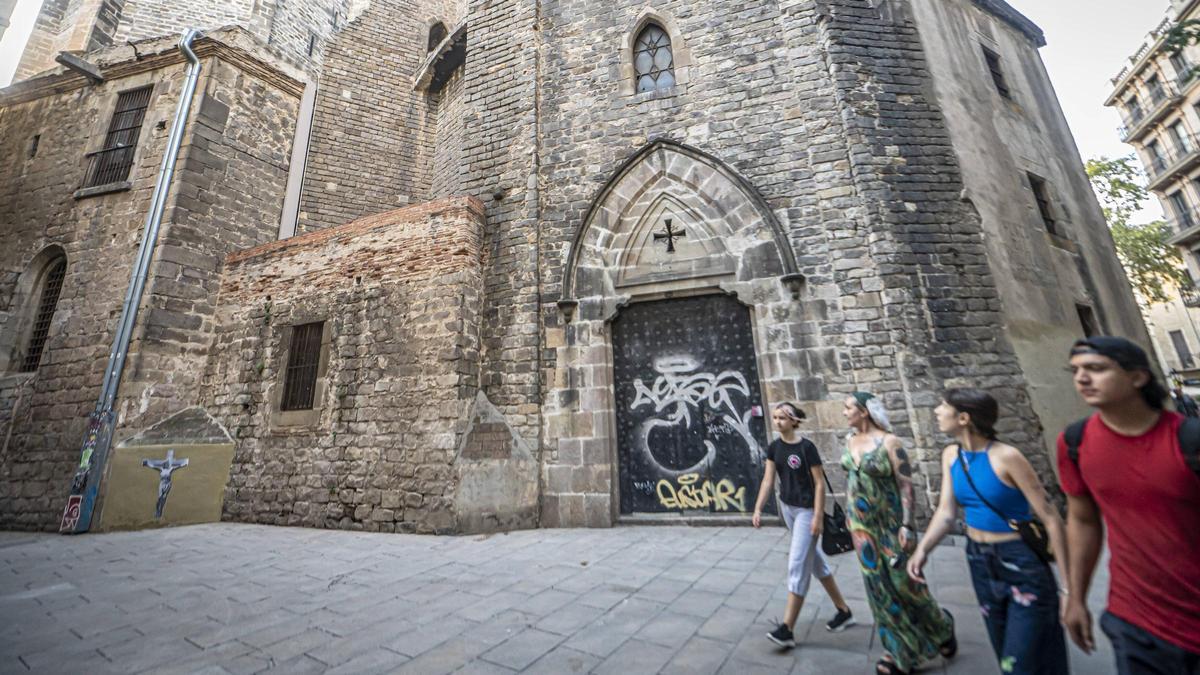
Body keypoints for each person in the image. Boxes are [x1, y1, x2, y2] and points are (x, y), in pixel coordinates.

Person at [1058, 337, 1200, 674]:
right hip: (1134, 619)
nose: (1081, 379)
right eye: (1075, 370)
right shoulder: (1074, 443)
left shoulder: (1190, 441)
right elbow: (1083, 521)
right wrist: (1075, 597)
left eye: (1096, 369)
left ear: (1138, 377)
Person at [906, 388, 1069, 674]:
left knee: (1017, 663)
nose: (937, 411)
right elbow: (946, 512)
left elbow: (1051, 518)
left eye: (943, 406)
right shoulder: (951, 455)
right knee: (1003, 647)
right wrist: (922, 550)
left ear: (964, 418)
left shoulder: (1007, 457)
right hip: (979, 561)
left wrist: (1069, 590)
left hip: (1020, 562)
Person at [841, 392, 955, 675]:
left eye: (848, 408)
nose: (844, 413)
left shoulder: (889, 442)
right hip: (861, 530)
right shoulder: (849, 440)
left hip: (890, 526)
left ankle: (941, 626)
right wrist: (849, 513)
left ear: (864, 411)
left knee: (906, 584)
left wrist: (907, 524)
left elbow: (906, 485)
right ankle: (898, 651)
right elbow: (852, 481)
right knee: (878, 590)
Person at [752, 402, 855, 648]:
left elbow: (819, 483)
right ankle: (843, 610)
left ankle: (787, 628)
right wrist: (757, 508)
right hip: (789, 509)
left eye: (782, 418)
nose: (777, 422)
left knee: (797, 563)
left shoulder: (806, 448)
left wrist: (818, 516)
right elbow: (768, 480)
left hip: (808, 511)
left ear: (794, 421)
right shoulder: (774, 448)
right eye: (775, 418)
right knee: (816, 563)